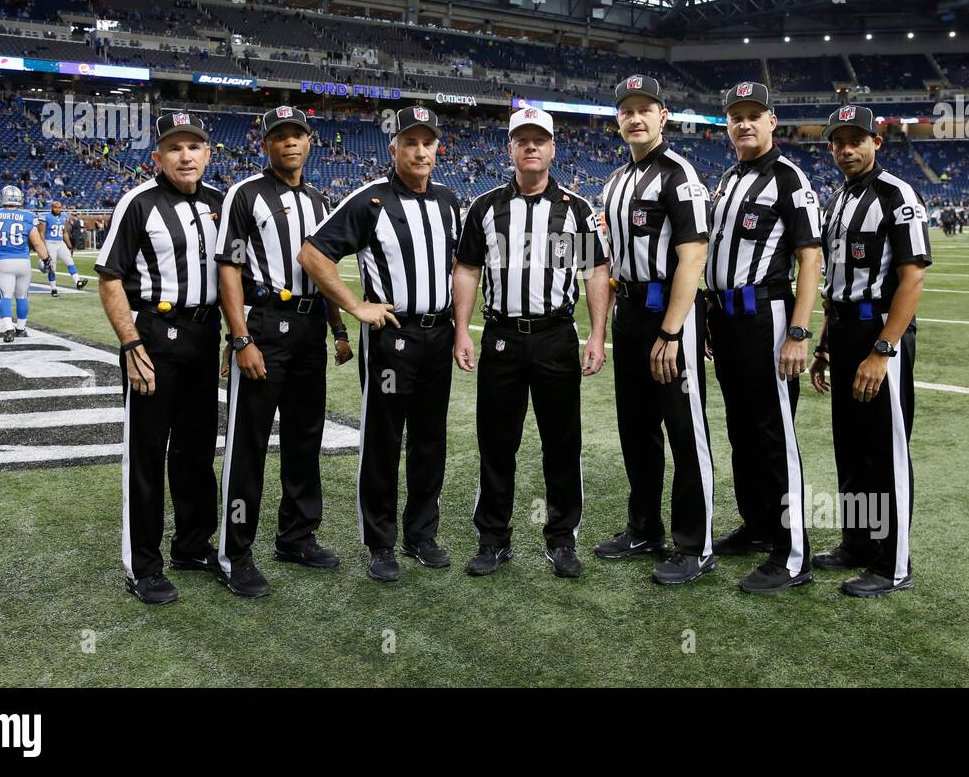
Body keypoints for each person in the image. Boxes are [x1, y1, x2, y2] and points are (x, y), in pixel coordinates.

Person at [299, 105, 460, 583]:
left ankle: (422, 534)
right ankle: (380, 541)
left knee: (431, 439)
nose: (419, 151)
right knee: (384, 438)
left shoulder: (451, 201)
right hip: (393, 336)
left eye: (427, 143)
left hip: (440, 332)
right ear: (394, 149)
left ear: (437, 149)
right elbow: (313, 254)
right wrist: (355, 306)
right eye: (410, 142)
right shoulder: (370, 200)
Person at [451, 106, 610, 579]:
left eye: (539, 139)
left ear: (553, 149)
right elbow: (468, 269)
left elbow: (595, 272)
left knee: (562, 443)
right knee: (496, 442)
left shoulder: (575, 209)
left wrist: (597, 334)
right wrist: (462, 328)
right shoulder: (485, 207)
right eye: (523, 139)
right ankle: (493, 539)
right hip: (502, 336)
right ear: (511, 149)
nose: (531, 146)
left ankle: (561, 539)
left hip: (556, 336)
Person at [213, 106, 353, 598]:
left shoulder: (319, 200)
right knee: (248, 445)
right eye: (280, 136)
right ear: (266, 144)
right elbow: (228, 270)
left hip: (311, 327)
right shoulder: (245, 194)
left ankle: (296, 536)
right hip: (264, 324)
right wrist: (240, 339)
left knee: (303, 438)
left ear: (310, 142)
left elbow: (323, 270)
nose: (289, 143)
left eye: (297, 135)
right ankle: (235, 551)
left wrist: (337, 327)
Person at [95, 112, 225, 605]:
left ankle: (192, 545)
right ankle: (142, 564)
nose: (185, 156)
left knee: (196, 450)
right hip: (153, 336)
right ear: (158, 157)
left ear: (209, 153)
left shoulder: (219, 203)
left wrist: (234, 339)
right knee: (147, 454)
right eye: (174, 148)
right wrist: (130, 344)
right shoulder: (139, 202)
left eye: (194, 147)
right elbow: (110, 278)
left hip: (204, 334)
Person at [595, 74, 716, 586]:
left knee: (685, 430)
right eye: (627, 110)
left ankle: (696, 544)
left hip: (670, 315)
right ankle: (644, 528)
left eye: (646, 109)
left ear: (663, 116)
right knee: (636, 428)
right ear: (618, 119)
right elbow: (602, 261)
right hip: (629, 314)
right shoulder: (615, 181)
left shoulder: (679, 174)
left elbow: (693, 256)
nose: (636, 118)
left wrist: (671, 331)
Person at [809, 106, 930, 597]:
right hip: (842, 332)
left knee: (885, 451)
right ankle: (858, 543)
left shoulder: (896, 194)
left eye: (856, 139)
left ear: (876, 141)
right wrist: (823, 343)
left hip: (880, 333)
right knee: (853, 452)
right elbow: (836, 282)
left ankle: (893, 563)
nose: (846, 149)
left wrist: (883, 350)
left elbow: (913, 276)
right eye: (838, 141)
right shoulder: (837, 198)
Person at [705, 82, 821, 594]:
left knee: (774, 437)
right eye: (736, 117)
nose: (745, 124)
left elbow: (809, 259)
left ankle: (793, 553)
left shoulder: (790, 179)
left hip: (767, 315)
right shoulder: (728, 178)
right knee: (741, 431)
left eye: (755, 115)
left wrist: (798, 332)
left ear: (773, 121)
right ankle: (758, 527)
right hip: (728, 321)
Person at [0, 187, 53, 342]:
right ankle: (20, 328)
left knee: (5, 296)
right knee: (22, 297)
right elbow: (38, 243)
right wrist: (46, 260)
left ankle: (8, 329)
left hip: (4, 261)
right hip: (23, 262)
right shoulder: (28, 216)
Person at [37, 201, 87, 297]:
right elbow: (41, 233)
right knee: (52, 267)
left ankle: (78, 282)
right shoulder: (45, 216)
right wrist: (43, 246)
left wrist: (69, 246)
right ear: (52, 207)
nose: (58, 209)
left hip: (60, 243)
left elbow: (64, 233)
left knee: (70, 261)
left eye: (59, 207)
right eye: (56, 207)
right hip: (49, 242)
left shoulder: (64, 216)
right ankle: (53, 288)